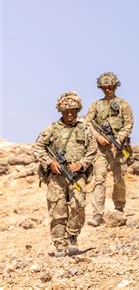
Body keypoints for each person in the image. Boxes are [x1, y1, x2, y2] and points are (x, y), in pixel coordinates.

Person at [34, 91, 97, 257]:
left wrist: (81, 164)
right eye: (66, 112)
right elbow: (38, 147)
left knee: (79, 206)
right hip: (56, 177)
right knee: (57, 210)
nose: (70, 114)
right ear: (61, 112)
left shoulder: (85, 129)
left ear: (77, 111)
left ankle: (72, 236)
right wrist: (50, 163)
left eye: (73, 111)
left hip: (77, 175)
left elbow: (92, 150)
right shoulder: (52, 130)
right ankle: (59, 245)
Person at [85, 72, 134, 227]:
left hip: (119, 147)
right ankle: (97, 213)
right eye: (105, 88)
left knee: (119, 178)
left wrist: (118, 139)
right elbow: (87, 123)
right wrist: (98, 137)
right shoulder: (95, 106)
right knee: (99, 179)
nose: (108, 90)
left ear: (115, 86)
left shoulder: (123, 104)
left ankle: (119, 207)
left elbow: (129, 124)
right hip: (100, 149)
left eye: (110, 87)